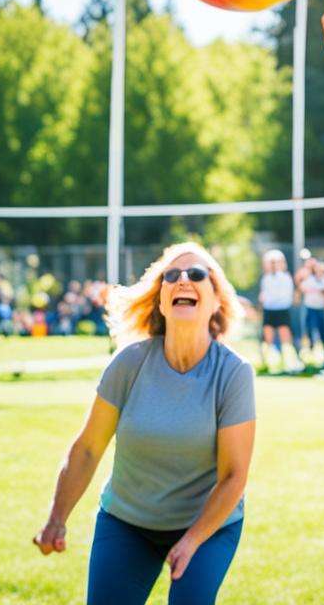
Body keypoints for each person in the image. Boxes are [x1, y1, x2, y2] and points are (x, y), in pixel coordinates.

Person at [34, 241, 255, 605]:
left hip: (208, 524)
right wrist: (57, 517)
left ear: (216, 300)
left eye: (197, 274)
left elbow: (234, 475)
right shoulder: (129, 363)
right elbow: (88, 448)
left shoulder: (233, 373)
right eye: (172, 275)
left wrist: (192, 539)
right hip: (127, 521)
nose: (183, 280)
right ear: (161, 299)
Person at [257, 249, 296, 372]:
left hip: (282, 310)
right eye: (271, 262)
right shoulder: (266, 278)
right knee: (267, 338)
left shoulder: (286, 278)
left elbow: (286, 296)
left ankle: (288, 363)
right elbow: (264, 295)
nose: (273, 265)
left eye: (276, 262)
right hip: (269, 310)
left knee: (285, 337)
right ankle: (267, 364)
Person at [297, 257, 324, 367]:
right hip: (310, 309)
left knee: (323, 333)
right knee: (309, 331)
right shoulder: (309, 279)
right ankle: (309, 355)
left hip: (320, 309)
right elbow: (301, 288)